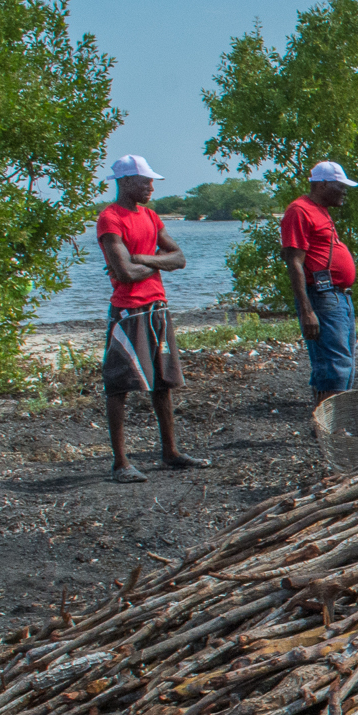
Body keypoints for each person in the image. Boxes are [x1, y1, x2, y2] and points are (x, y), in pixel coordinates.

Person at [96, 154, 209, 484]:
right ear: (125, 182)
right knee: (119, 385)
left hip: (157, 308)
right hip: (128, 311)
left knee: (163, 382)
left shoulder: (150, 216)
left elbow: (179, 258)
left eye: (151, 182)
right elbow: (125, 274)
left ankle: (170, 452)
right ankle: (120, 463)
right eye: (144, 181)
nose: (150, 187)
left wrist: (143, 259)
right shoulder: (110, 218)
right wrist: (158, 263)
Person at [280, 161, 358, 404]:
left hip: (339, 296)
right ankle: (332, 422)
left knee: (342, 361)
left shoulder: (319, 210)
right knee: (334, 364)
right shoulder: (299, 210)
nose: (344, 191)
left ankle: (326, 418)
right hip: (322, 296)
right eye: (340, 185)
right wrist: (307, 311)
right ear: (323, 184)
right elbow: (294, 261)